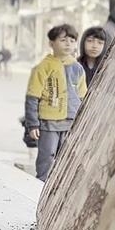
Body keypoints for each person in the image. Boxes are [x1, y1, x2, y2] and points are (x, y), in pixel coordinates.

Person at [25, 24, 87, 182]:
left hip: (71, 122)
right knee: (47, 156)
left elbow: (83, 97)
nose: (68, 44)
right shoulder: (43, 67)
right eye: (63, 40)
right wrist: (32, 124)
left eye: (72, 40)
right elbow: (33, 97)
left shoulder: (78, 68)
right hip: (49, 122)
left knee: (66, 158)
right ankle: (40, 184)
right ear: (51, 43)